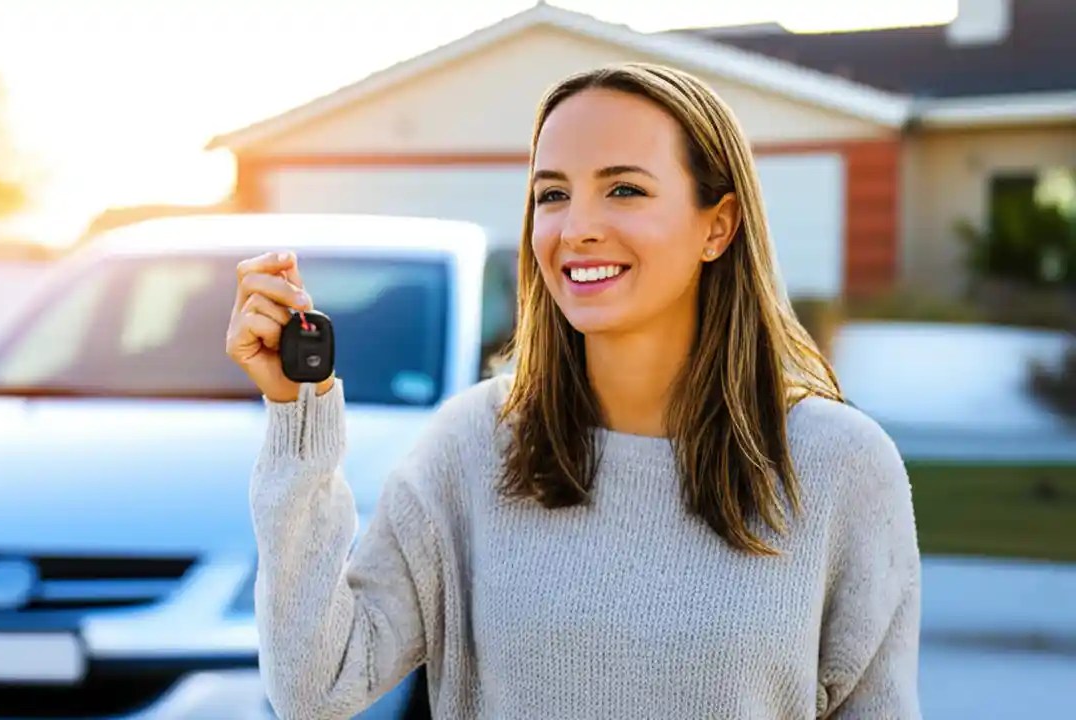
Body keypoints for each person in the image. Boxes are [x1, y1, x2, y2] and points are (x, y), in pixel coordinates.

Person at [226, 62, 921, 719]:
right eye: (552, 195)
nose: (577, 228)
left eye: (624, 190)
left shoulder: (840, 464)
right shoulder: (473, 445)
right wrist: (296, 413)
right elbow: (316, 687)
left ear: (718, 225)